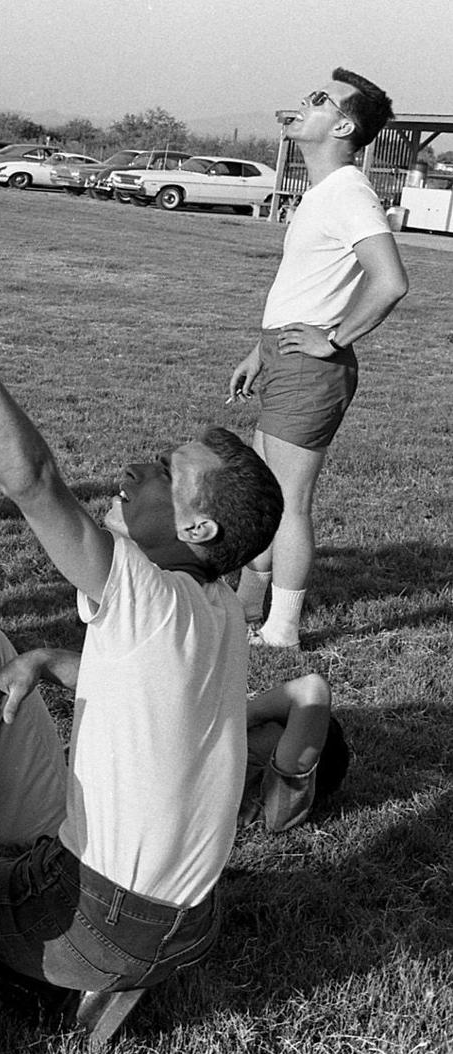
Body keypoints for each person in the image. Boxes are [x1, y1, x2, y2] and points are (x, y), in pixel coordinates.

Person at [0, 218, 284, 994]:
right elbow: (155, 698)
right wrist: (46, 659)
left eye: (164, 472)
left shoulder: (147, 593)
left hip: (102, 922)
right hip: (186, 921)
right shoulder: (216, 602)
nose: (136, 468)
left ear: (198, 530)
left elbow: (32, 481)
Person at [228, 69, 410, 650]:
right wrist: (261, 350)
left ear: (344, 126)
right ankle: (244, 607)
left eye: (319, 100)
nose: (303, 103)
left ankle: (282, 629)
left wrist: (332, 341)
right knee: (264, 493)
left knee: (288, 502)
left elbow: (390, 281)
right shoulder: (322, 192)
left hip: (313, 369)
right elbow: (307, 286)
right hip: (284, 357)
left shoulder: (350, 193)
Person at [241, 672, 349, 832]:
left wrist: (243, 718)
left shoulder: (269, 801)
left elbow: (313, 689)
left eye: (264, 726)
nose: (253, 729)